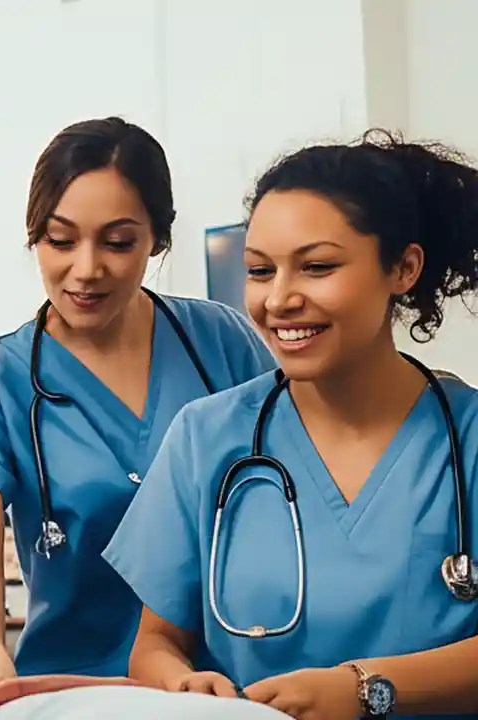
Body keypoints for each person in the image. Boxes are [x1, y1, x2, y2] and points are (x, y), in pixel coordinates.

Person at [103, 130, 478, 719]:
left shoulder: (470, 441)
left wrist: (365, 690)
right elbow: (156, 645)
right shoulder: (207, 438)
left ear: (403, 268)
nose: (278, 300)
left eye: (317, 267)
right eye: (259, 271)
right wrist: (183, 685)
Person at [0, 117, 276, 703]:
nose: (86, 269)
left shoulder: (221, 341)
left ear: (157, 240)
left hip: (223, 690)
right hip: (71, 692)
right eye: (59, 240)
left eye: (117, 243)